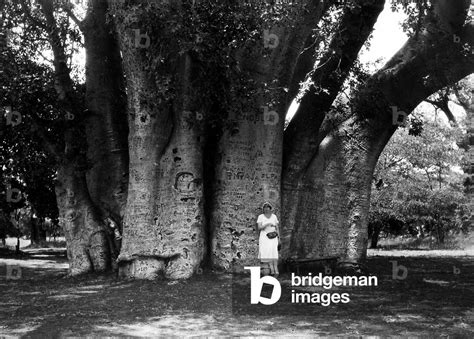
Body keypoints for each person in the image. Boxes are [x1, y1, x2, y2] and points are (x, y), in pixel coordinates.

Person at [257, 202, 280, 276]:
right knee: (268, 253)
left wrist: (279, 237)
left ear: (270, 209)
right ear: (263, 210)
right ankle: (272, 269)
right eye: (265, 209)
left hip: (273, 236)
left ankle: (276, 269)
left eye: (268, 209)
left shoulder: (274, 216)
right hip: (264, 236)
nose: (266, 210)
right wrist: (267, 224)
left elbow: (277, 228)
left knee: (274, 252)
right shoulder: (261, 216)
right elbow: (259, 228)